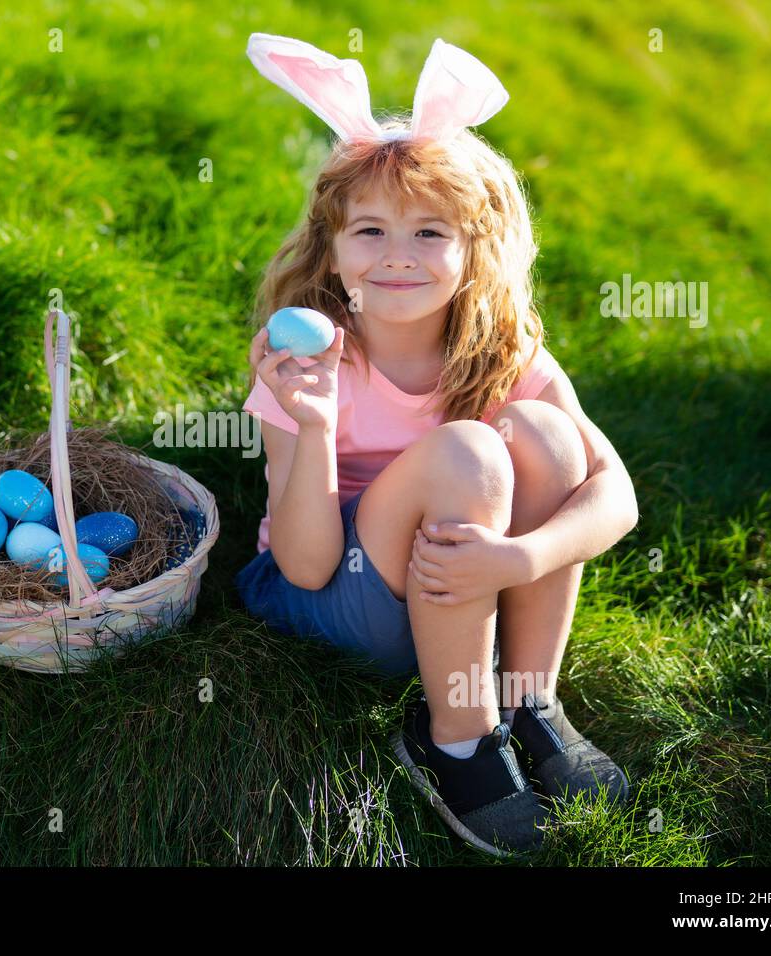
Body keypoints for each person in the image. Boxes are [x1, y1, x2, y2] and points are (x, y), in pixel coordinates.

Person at [235, 33, 639, 857]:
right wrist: (309, 424)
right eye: (370, 232)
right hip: (334, 599)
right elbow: (306, 567)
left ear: (470, 249)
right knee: (470, 453)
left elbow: (616, 496)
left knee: (544, 436)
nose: (396, 258)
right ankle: (455, 739)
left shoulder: (504, 353)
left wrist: (517, 562)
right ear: (331, 248)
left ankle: (527, 698)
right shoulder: (309, 366)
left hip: (460, 580)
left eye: (429, 234)